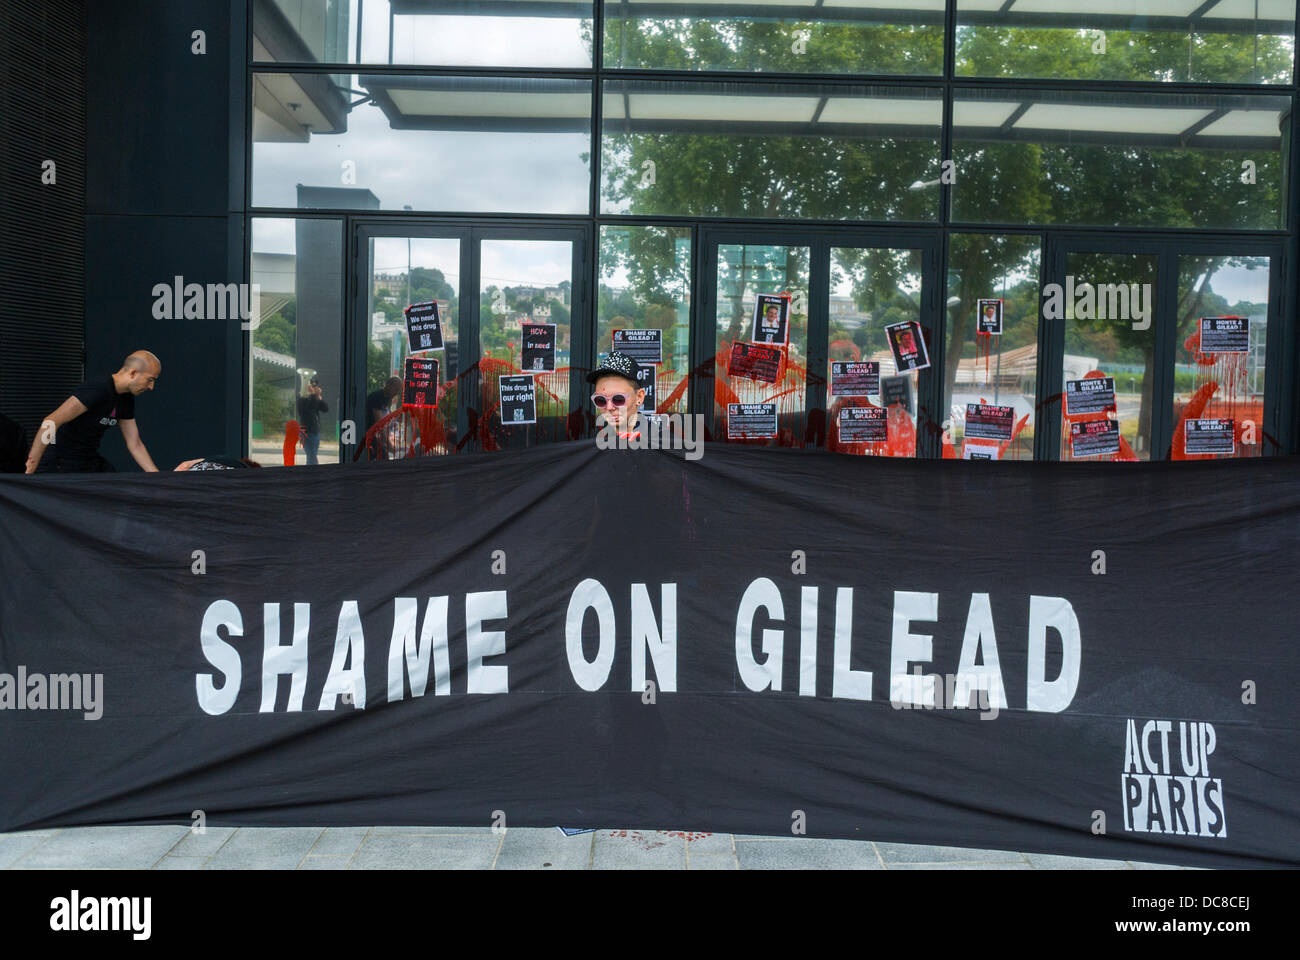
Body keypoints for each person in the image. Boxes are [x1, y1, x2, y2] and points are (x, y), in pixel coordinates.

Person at [25, 350, 162, 473]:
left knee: (118, 489)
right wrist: (31, 467)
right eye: (150, 380)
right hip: (59, 462)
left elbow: (135, 443)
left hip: (87, 459)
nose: (151, 387)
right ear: (133, 373)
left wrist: (157, 478)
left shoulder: (126, 398)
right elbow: (51, 422)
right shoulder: (98, 388)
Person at [588, 352, 649, 440]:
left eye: (618, 399)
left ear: (639, 397)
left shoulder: (659, 441)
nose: (609, 407)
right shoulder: (589, 437)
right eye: (601, 400)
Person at [296, 378, 329, 465]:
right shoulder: (302, 398)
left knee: (312, 457)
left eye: (315, 386)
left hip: (315, 432)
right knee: (312, 458)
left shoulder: (313, 398)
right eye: (312, 386)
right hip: (306, 432)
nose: (314, 388)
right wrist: (314, 395)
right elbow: (310, 407)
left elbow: (325, 409)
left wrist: (318, 397)